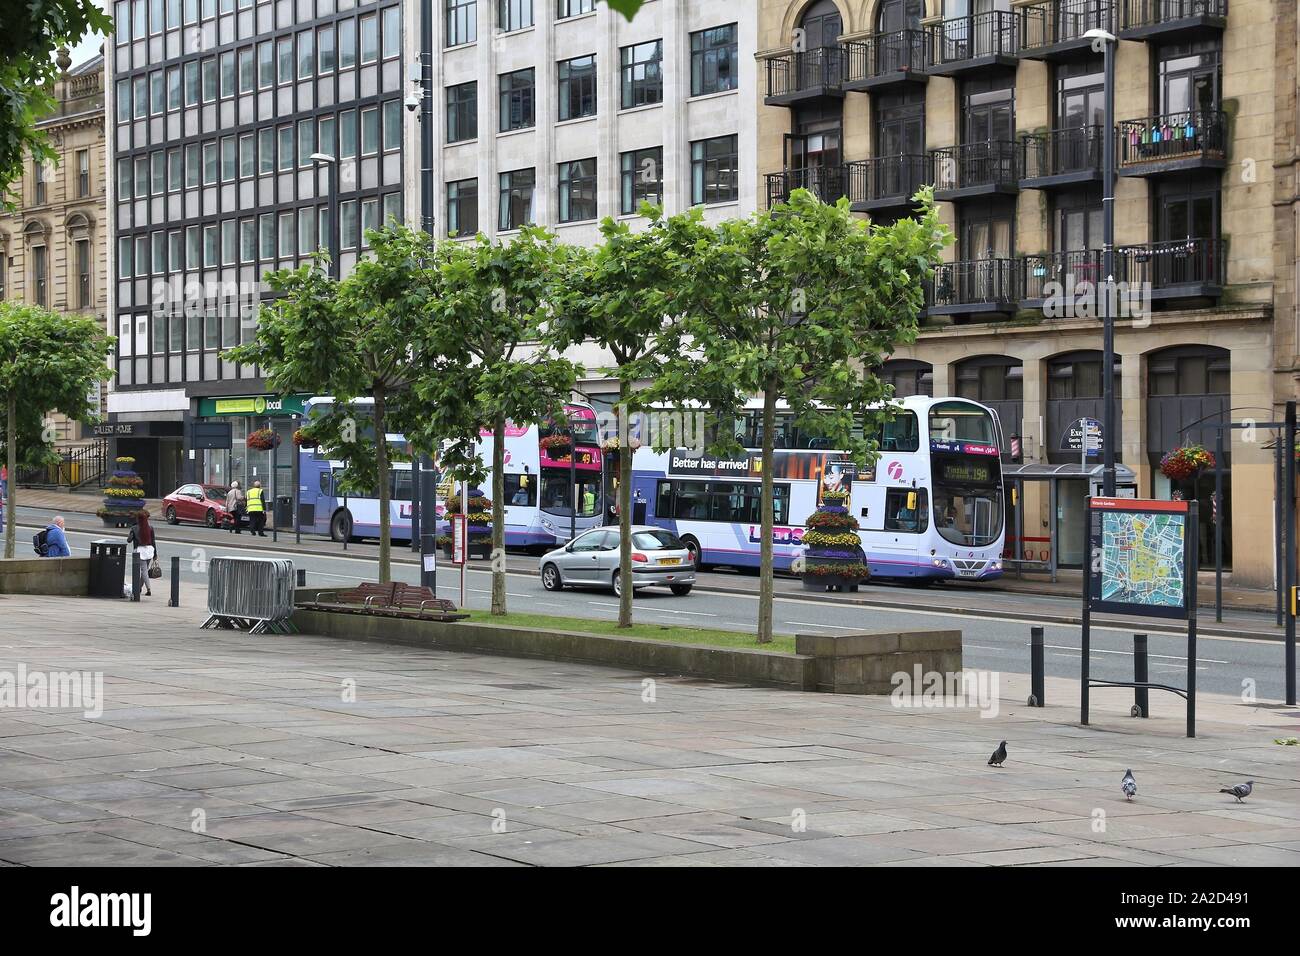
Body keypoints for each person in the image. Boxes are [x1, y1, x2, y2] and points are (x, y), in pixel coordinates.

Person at [126, 511, 156, 597]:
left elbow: (129, 540)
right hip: (150, 550)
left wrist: (132, 532)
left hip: (140, 550)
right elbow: (153, 541)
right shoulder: (150, 528)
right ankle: (139, 588)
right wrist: (155, 554)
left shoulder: (134, 528)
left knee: (144, 571)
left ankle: (149, 589)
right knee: (145, 570)